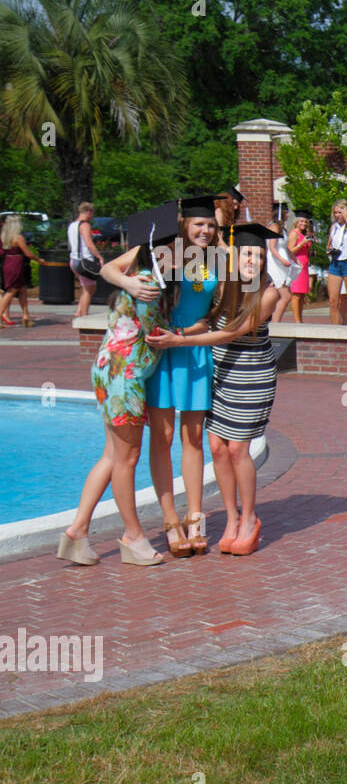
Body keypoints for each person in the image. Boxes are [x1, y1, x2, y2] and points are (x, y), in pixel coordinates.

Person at [148, 223, 282, 556]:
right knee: (217, 448)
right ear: (235, 255)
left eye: (259, 256)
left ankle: (249, 519)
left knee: (238, 450)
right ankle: (231, 518)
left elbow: (229, 333)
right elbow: (200, 309)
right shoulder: (223, 283)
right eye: (247, 253)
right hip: (221, 373)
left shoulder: (268, 293)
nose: (253, 260)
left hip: (251, 378)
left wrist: (179, 341)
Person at [59, 202, 179, 566]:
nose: (180, 255)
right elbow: (155, 335)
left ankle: (77, 532)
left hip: (107, 369)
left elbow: (110, 268)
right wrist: (188, 333)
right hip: (125, 377)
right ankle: (133, 536)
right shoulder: (149, 284)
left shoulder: (138, 271)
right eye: (175, 248)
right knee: (127, 458)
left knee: (112, 455)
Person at [141, 194, 222, 557]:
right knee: (163, 437)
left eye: (211, 225)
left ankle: (195, 515)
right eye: (198, 224)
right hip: (163, 350)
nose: (205, 230)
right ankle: (170, 518)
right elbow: (114, 270)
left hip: (193, 350)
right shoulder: (164, 256)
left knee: (194, 437)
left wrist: (188, 334)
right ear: (184, 226)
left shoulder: (218, 261)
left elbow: (214, 313)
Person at [0, 215, 38, 327]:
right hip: (16, 264)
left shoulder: (4, 236)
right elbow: (28, 253)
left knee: (22, 289)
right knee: (11, 290)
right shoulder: (18, 238)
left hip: (7, 262)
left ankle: (26, 315)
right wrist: (39, 260)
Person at [68, 202, 103, 318]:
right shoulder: (84, 225)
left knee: (86, 287)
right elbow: (89, 243)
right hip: (84, 261)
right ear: (89, 212)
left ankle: (79, 311)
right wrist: (99, 257)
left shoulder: (72, 225)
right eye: (92, 213)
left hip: (74, 259)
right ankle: (84, 315)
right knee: (89, 289)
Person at [265, 218, 294, 325]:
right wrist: (282, 260)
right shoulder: (274, 226)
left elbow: (285, 247)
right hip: (275, 264)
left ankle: (273, 321)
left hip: (283, 266)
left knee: (278, 295)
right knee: (286, 296)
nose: (288, 215)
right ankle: (275, 323)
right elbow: (272, 247)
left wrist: (294, 258)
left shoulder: (283, 229)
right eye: (286, 212)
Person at [287, 211, 313, 324]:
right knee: (296, 294)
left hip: (304, 266)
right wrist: (302, 243)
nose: (304, 224)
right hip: (297, 265)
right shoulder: (294, 234)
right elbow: (290, 251)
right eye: (301, 221)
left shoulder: (304, 234)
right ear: (296, 222)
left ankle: (300, 319)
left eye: (305, 222)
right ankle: (297, 321)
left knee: (302, 294)